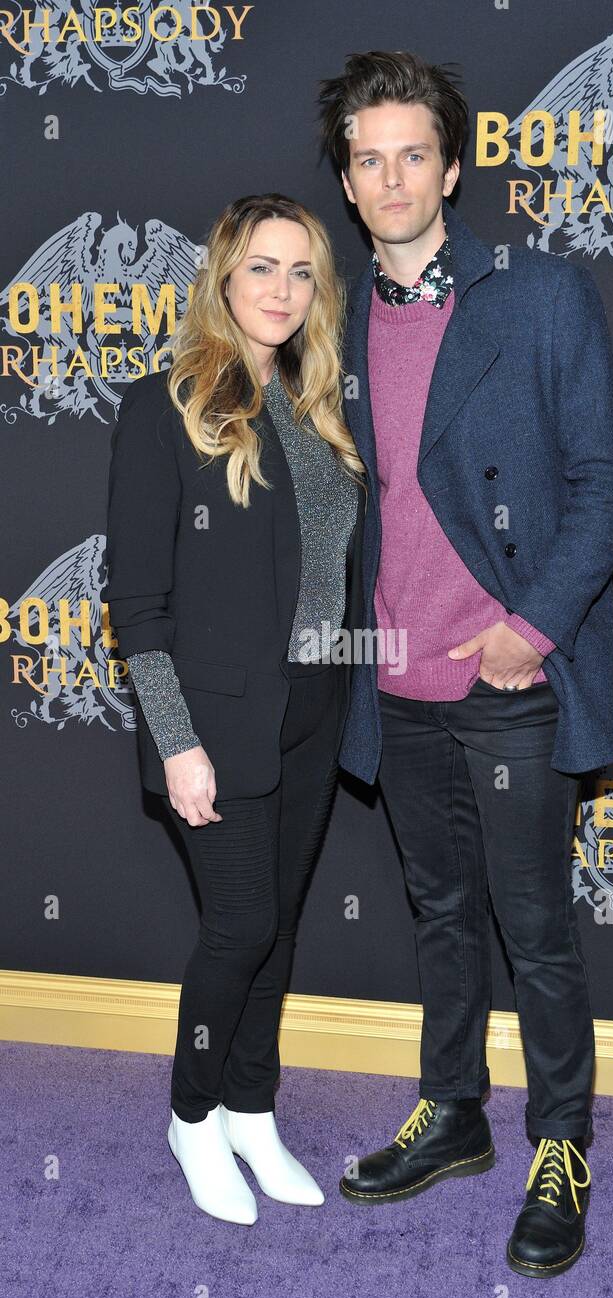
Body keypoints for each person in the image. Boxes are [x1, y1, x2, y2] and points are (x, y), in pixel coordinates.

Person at [318, 51, 613, 1277]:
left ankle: (561, 1142)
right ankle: (452, 1110)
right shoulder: (335, 318)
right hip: (393, 679)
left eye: (413, 153)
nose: (391, 177)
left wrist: (533, 628)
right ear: (347, 183)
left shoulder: (539, 295)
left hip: (506, 679)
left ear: (451, 167)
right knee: (441, 915)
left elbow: (609, 482)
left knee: (536, 928)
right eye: (368, 158)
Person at [104, 193, 367, 1224]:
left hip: (313, 703)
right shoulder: (160, 407)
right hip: (212, 720)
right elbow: (137, 603)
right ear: (222, 276)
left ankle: (253, 1110)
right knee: (240, 922)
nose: (282, 291)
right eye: (262, 267)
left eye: (301, 273)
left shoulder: (316, 404)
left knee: (282, 925)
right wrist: (176, 742)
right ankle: (193, 1112)